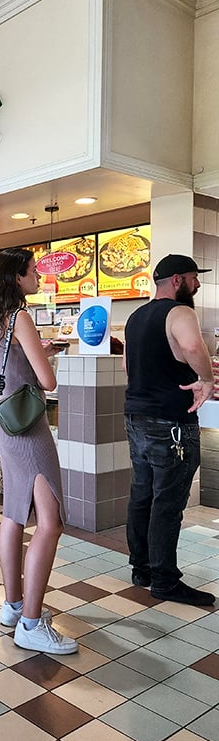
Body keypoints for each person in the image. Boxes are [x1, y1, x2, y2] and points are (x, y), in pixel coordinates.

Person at [0, 248, 77, 654]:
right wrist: (44, 357)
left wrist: (34, 354)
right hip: (27, 423)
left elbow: (11, 365)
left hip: (2, 418)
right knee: (50, 521)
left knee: (15, 513)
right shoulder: (21, 317)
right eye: (34, 272)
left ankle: (14, 606)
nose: (39, 277)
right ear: (17, 278)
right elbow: (46, 382)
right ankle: (31, 623)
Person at [123, 253, 216, 607]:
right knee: (168, 502)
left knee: (142, 493)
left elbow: (128, 367)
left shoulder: (136, 317)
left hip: (137, 416)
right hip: (172, 421)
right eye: (194, 277)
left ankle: (141, 567)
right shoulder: (180, 312)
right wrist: (206, 379)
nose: (198, 284)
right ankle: (164, 579)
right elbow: (193, 346)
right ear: (177, 280)